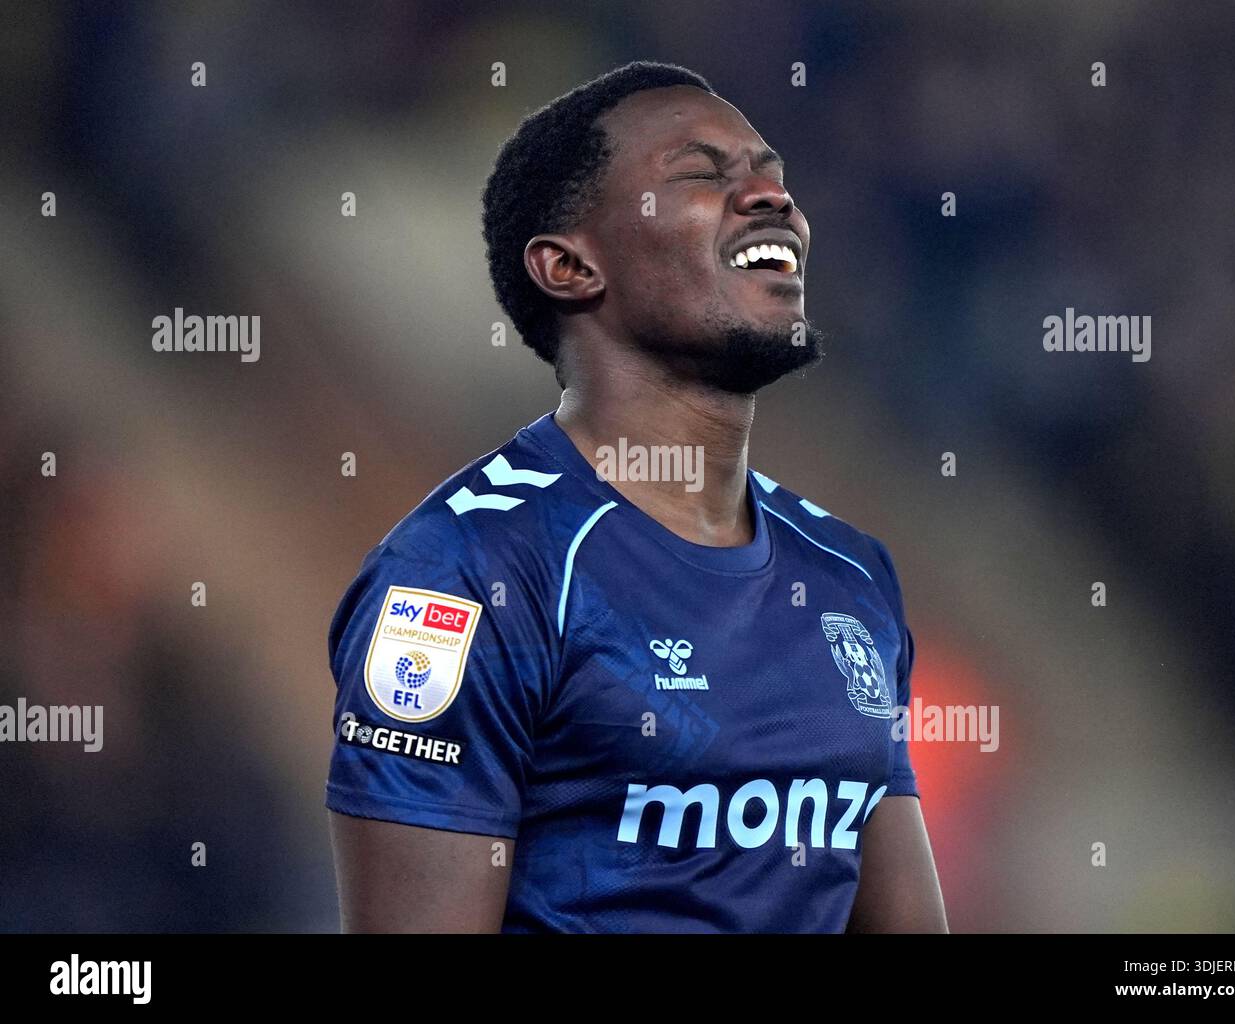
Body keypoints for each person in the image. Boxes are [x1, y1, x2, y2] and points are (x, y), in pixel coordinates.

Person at [326, 61, 947, 933]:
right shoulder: (466, 573)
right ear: (570, 266)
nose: (771, 197)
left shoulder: (850, 576)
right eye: (702, 174)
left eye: (773, 175)